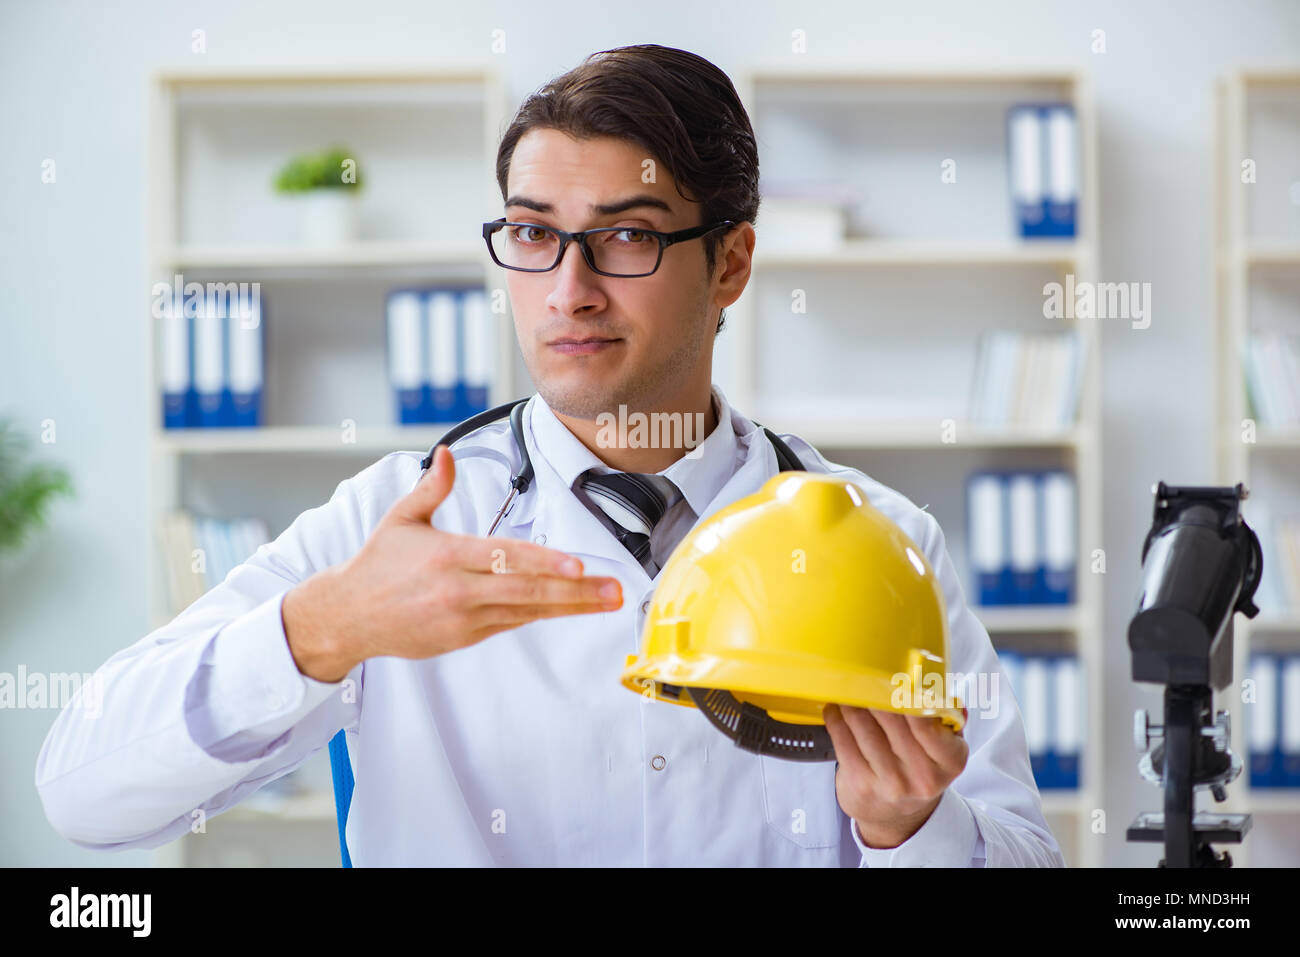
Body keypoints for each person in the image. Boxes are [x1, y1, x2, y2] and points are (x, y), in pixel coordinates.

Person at [36, 43, 1063, 867]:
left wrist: (912, 833)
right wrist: (325, 627)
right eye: (533, 234)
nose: (568, 288)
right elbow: (82, 791)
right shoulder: (399, 520)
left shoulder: (882, 542)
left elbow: (1020, 853)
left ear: (732, 263)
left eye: (625, 238)